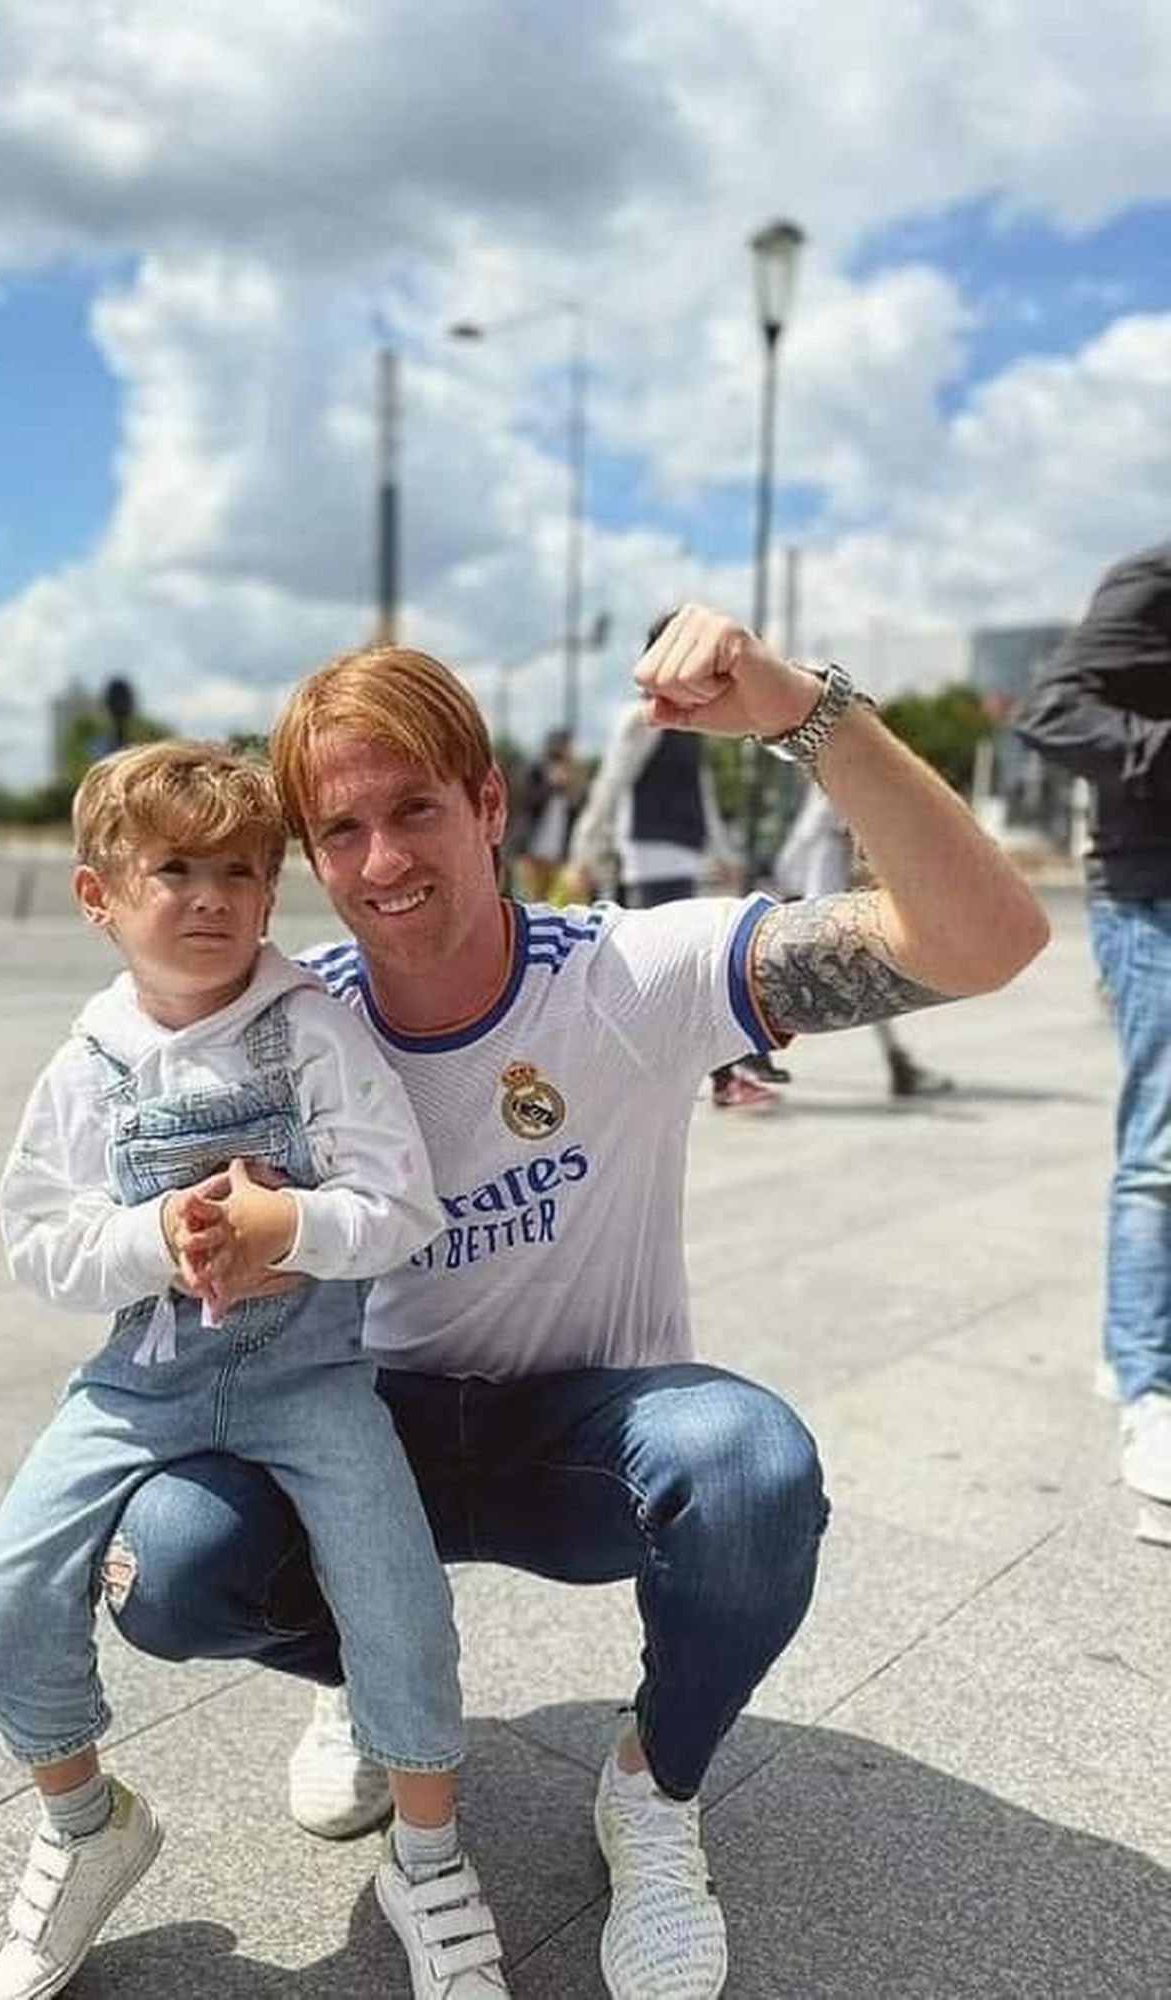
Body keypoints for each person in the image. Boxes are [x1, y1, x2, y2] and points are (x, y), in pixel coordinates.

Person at [95, 608, 1047, 1999]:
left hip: (583, 1436)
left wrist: (804, 711)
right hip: (372, 1449)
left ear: (490, 806)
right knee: (166, 1560)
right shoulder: (294, 1034)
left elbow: (987, 940)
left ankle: (654, 1787)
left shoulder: (626, 975)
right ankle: (377, 1677)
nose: (383, 862)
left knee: (749, 1469)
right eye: (340, 832)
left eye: (414, 808)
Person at [0, 742, 502, 2000]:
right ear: (99, 894)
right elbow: (39, 1242)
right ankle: (86, 1821)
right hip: (141, 1381)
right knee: (6, 1587)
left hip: (310, 1379)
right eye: (174, 869)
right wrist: (151, 1240)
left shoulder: (307, 1031)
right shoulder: (85, 1067)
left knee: (398, 1598)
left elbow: (401, 1201)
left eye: (241, 872)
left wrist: (291, 1229)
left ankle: (427, 1855)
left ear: (272, 894)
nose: (210, 898)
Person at [1012, 541, 1171, 1530]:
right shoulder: (1154, 580)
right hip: (1151, 892)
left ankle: (1130, 1341)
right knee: (1161, 1149)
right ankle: (1149, 1393)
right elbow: (1049, 712)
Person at [562, 679, 775, 1111]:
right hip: (650, 852)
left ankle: (718, 1076)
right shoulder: (640, 720)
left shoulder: (692, 728)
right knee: (680, 970)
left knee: (676, 970)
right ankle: (726, 1077)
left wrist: (723, 853)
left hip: (686, 853)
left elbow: (706, 800)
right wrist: (583, 850)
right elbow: (611, 784)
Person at [772, 777, 954, 1100]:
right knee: (853, 974)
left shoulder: (829, 764)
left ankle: (899, 1064)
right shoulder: (838, 766)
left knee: (851, 976)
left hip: (814, 879)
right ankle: (739, 1060)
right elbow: (819, 826)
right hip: (819, 885)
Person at [510, 726, 581, 901]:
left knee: (553, 902)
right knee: (530, 899)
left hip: (556, 852)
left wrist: (570, 788)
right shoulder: (535, 769)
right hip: (532, 850)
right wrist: (550, 785)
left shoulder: (569, 774)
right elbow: (526, 802)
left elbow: (574, 811)